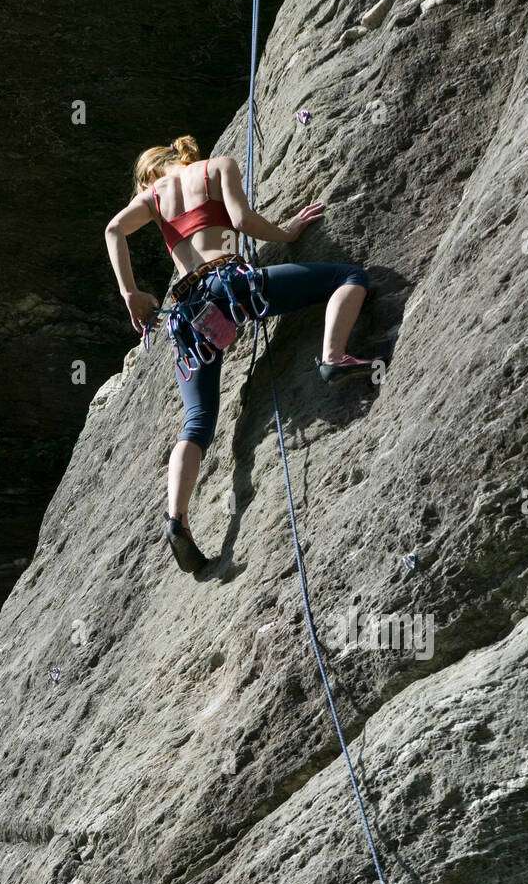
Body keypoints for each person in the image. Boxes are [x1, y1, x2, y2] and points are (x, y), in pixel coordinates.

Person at [105, 134, 373, 572]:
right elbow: (242, 219)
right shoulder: (217, 166)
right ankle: (332, 356)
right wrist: (287, 233)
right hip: (232, 287)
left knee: (197, 422)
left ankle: (177, 518)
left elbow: (113, 229)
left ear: (151, 175)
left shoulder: (153, 198)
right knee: (349, 275)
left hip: (190, 310)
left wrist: (130, 292)